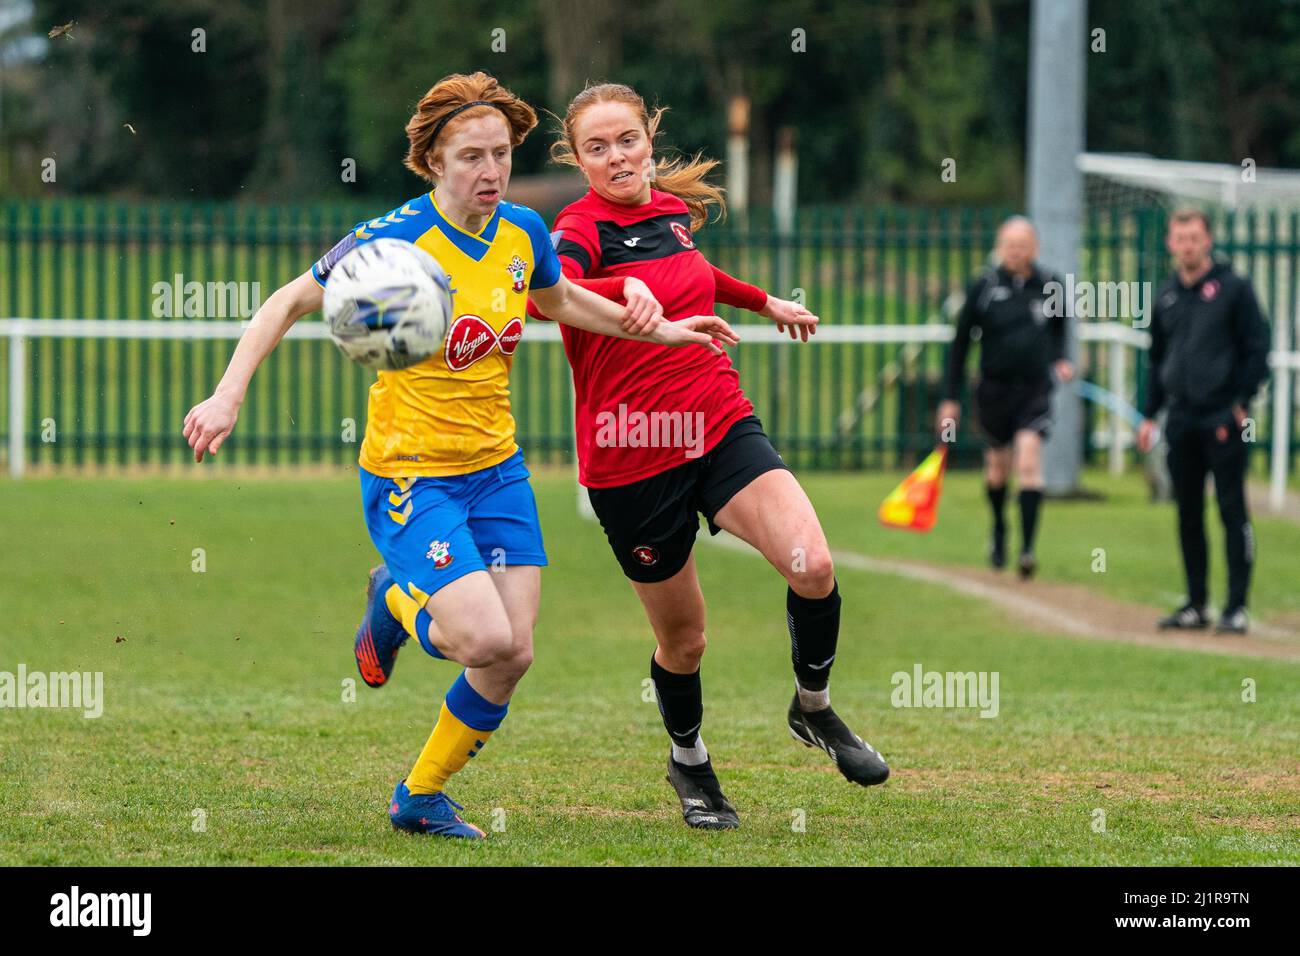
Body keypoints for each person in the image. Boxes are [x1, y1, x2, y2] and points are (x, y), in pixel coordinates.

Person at [181, 72, 737, 840]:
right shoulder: (393, 239)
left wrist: (666, 328)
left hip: (498, 472)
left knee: (513, 654)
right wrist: (227, 395)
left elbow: (563, 302)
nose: (490, 172)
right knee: (481, 638)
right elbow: (286, 301)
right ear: (434, 164)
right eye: (471, 157)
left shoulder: (522, 235)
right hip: (412, 472)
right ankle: (398, 600)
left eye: (501, 154)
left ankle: (419, 795)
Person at [528, 82, 890, 832]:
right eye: (596, 147)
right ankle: (690, 761)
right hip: (632, 457)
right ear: (579, 159)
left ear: (648, 139)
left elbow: (698, 277)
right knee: (685, 641)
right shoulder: (577, 229)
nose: (616, 156)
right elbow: (546, 294)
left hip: (716, 421)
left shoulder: (668, 210)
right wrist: (617, 289)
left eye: (626, 139)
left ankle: (813, 709)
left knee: (813, 565)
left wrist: (765, 303)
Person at [1136, 209, 1270, 635]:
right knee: (1187, 512)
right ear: (1170, 244)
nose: (1187, 245)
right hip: (1180, 418)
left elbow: (1257, 349)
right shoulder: (1167, 295)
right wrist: (1148, 414)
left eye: (1195, 237)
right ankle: (1196, 603)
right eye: (1180, 238)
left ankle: (1237, 606)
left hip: (1222, 418)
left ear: (1208, 240)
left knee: (1232, 509)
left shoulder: (1235, 289)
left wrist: (1240, 401)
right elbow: (1156, 361)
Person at [937, 216, 1074, 578]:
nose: (1016, 252)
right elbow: (960, 342)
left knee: (1028, 461)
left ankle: (1027, 550)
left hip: (1035, 389)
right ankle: (999, 528)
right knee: (998, 469)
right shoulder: (984, 286)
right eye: (1010, 245)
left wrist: (1060, 359)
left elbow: (1061, 327)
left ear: (1035, 248)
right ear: (1000, 247)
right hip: (994, 390)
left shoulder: (1051, 285)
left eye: (1023, 245)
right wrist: (950, 398)